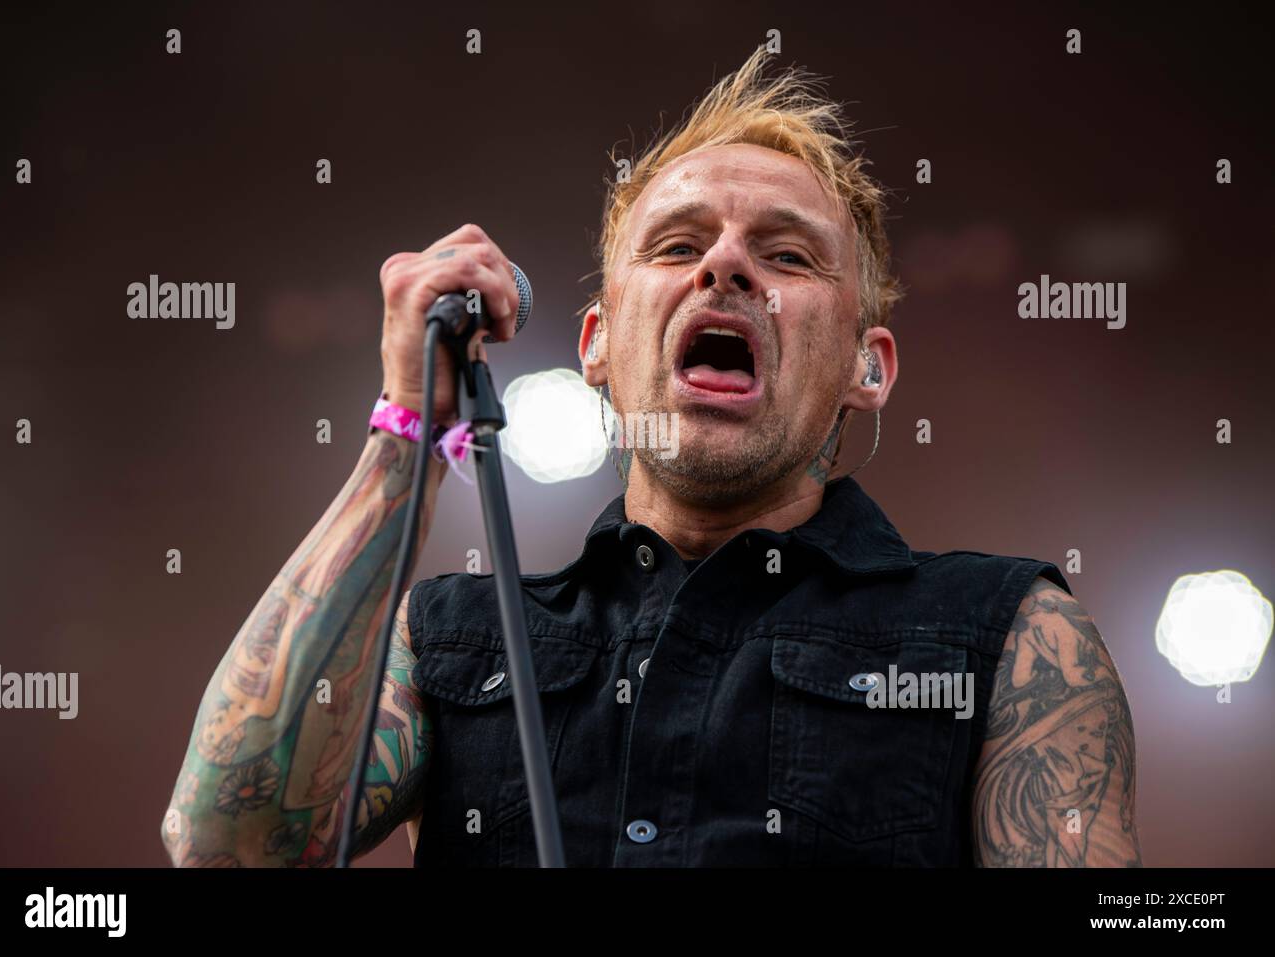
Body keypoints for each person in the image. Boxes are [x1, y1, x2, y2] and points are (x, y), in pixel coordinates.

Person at [162, 47, 1142, 868]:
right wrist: (408, 428)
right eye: (675, 246)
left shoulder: (1007, 635)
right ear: (594, 344)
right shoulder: (456, 638)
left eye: (789, 255)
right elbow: (227, 844)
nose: (724, 266)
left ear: (866, 366)